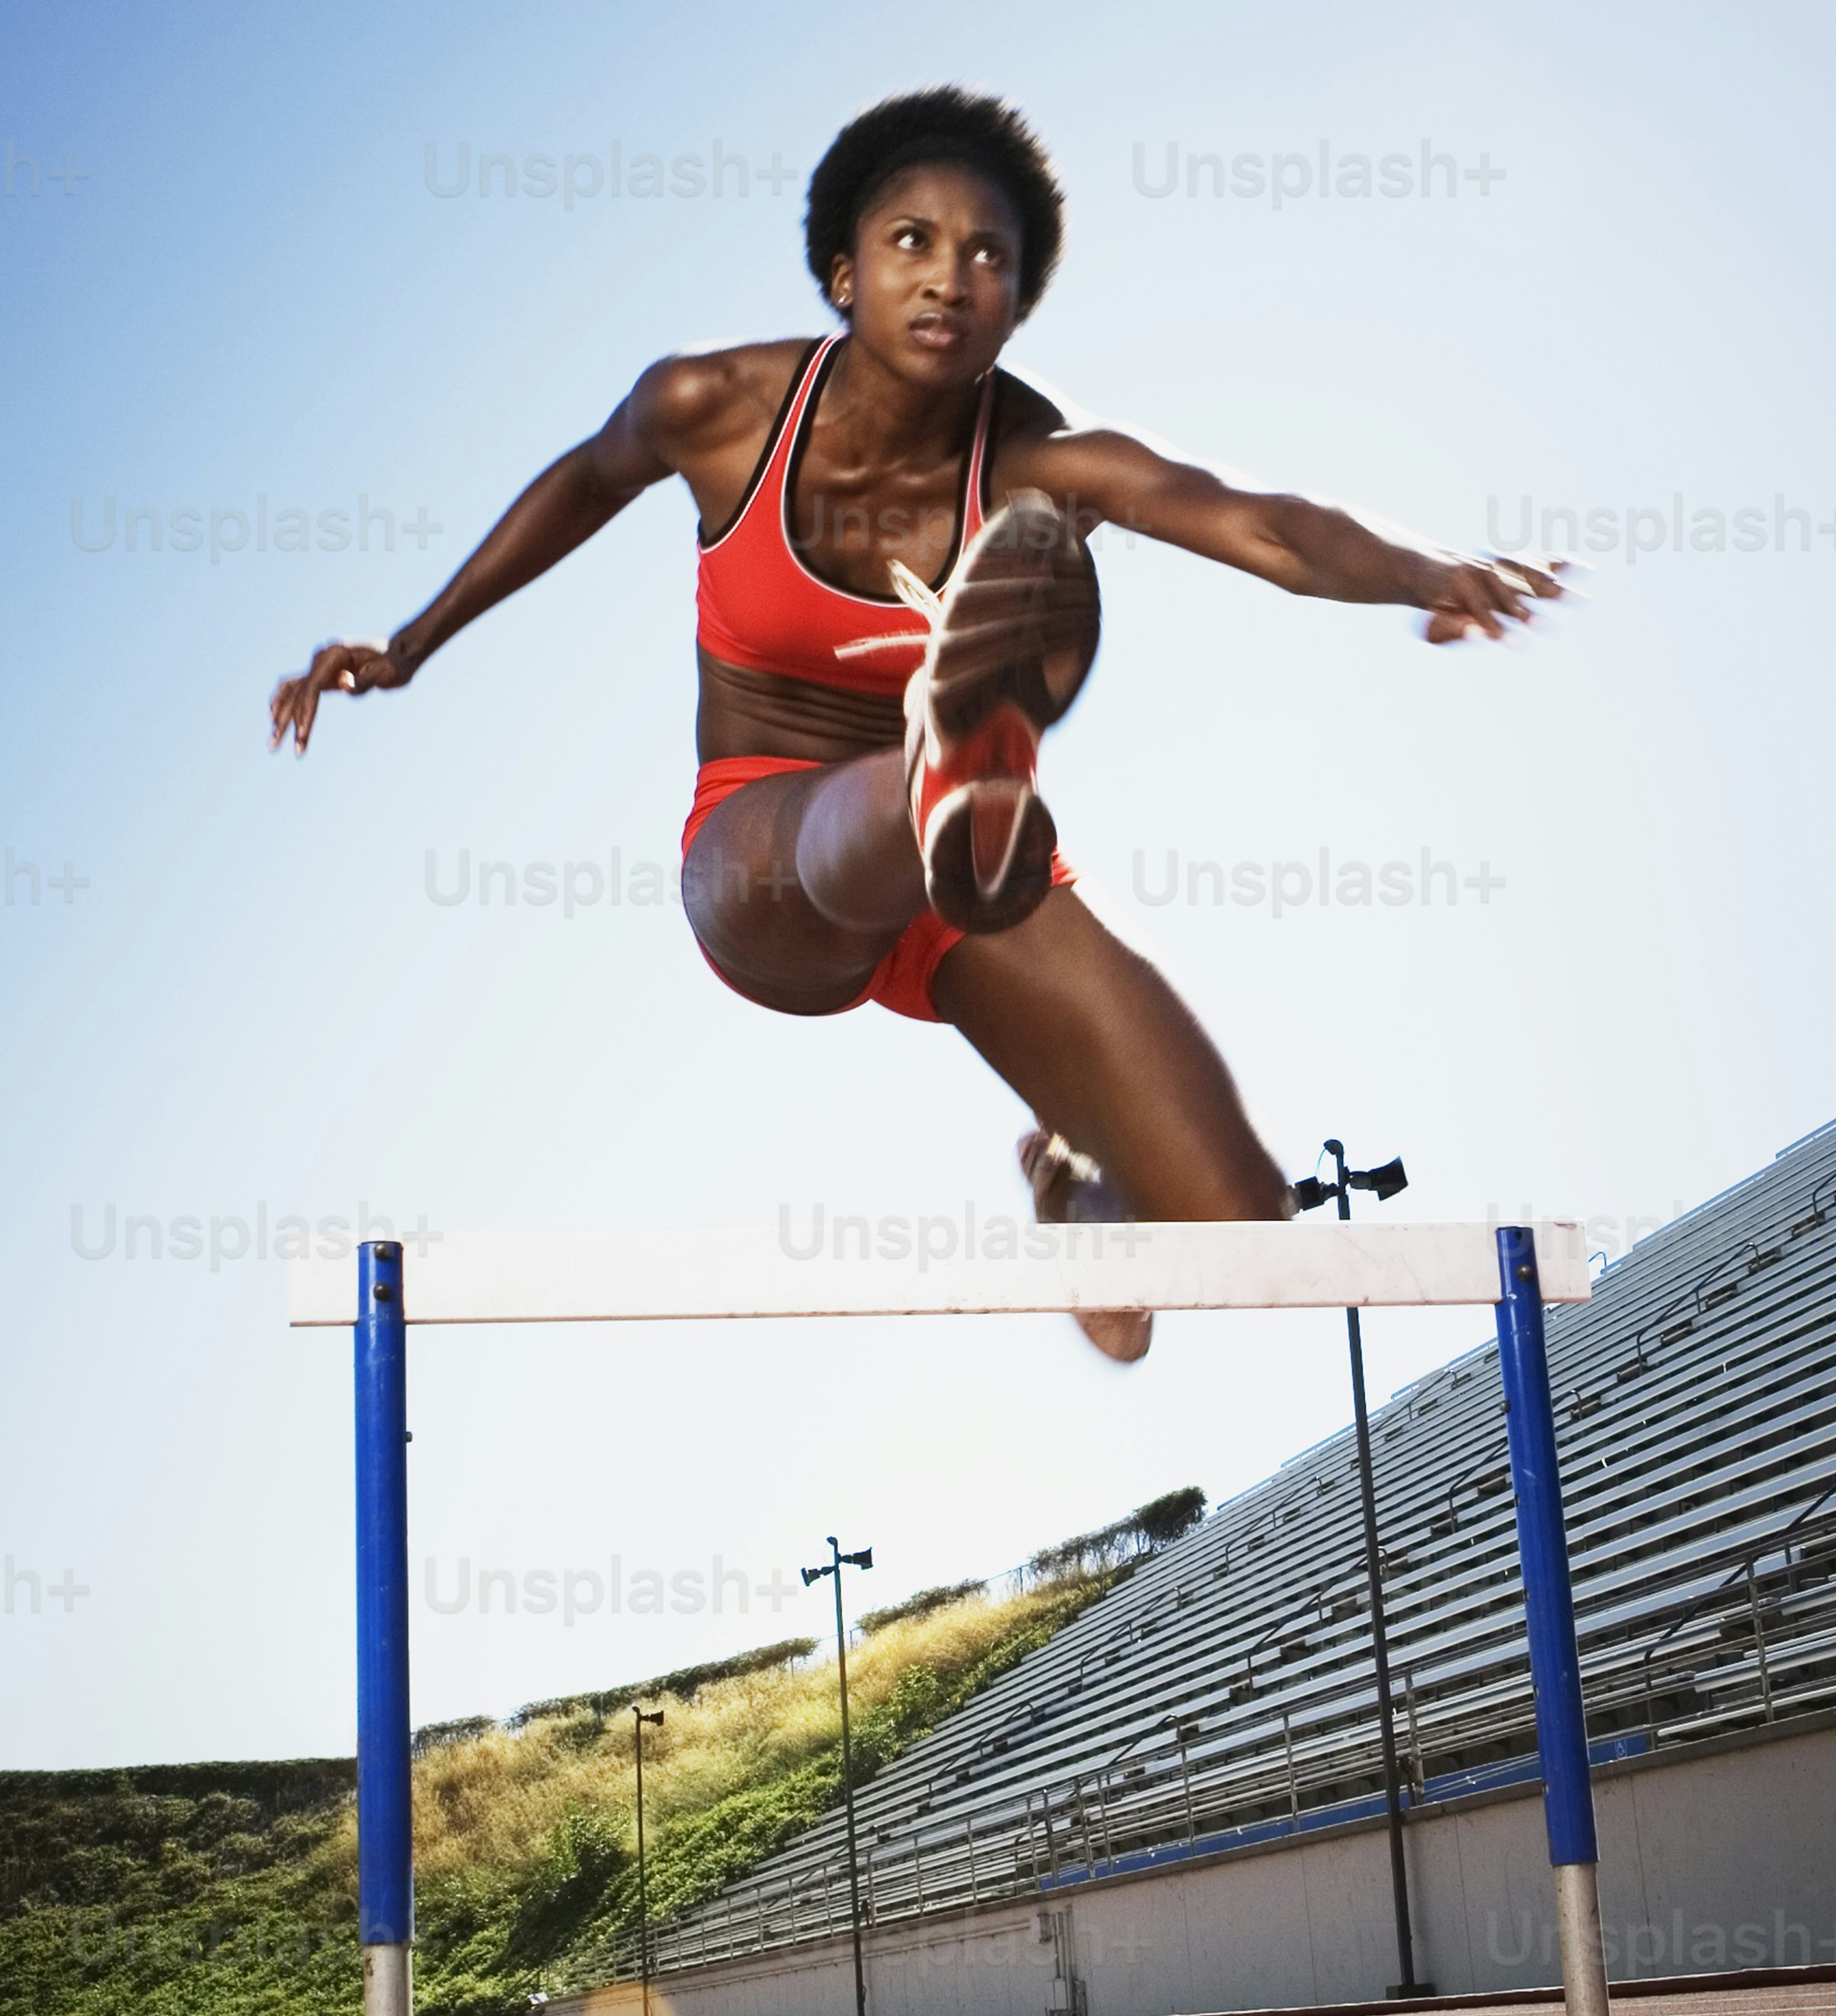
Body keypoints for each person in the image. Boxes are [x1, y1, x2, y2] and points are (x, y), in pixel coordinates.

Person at [270, 86, 1554, 1357]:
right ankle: (943, 774)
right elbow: (581, 484)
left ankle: (1075, 1199)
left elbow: (1256, 520)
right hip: (771, 858)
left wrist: (1422, 570)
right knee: (870, 810)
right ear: (843, 274)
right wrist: (411, 647)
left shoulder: (1035, 457)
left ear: (1017, 299)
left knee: (1239, 1223)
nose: (952, 277)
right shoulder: (713, 408)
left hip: (977, 884)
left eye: (988, 256)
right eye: (913, 244)